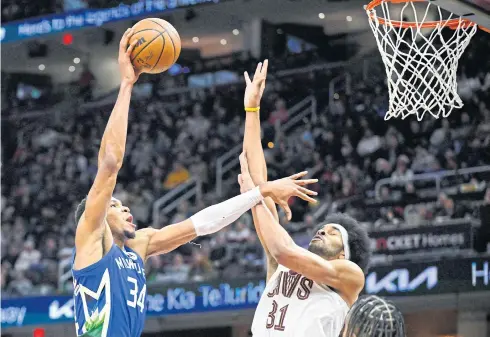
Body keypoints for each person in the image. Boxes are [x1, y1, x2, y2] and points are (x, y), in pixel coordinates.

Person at [71, 31, 318, 337]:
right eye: (115, 204)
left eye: (121, 203)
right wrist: (127, 84)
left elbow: (202, 224)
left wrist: (258, 193)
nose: (125, 207)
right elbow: (110, 163)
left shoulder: (138, 246)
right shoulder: (92, 237)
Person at [239, 60, 371, 337]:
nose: (322, 229)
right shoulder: (282, 268)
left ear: (343, 254)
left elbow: (283, 248)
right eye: (323, 228)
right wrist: (252, 110)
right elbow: (260, 181)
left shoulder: (348, 277)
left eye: (333, 232)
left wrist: (256, 194)